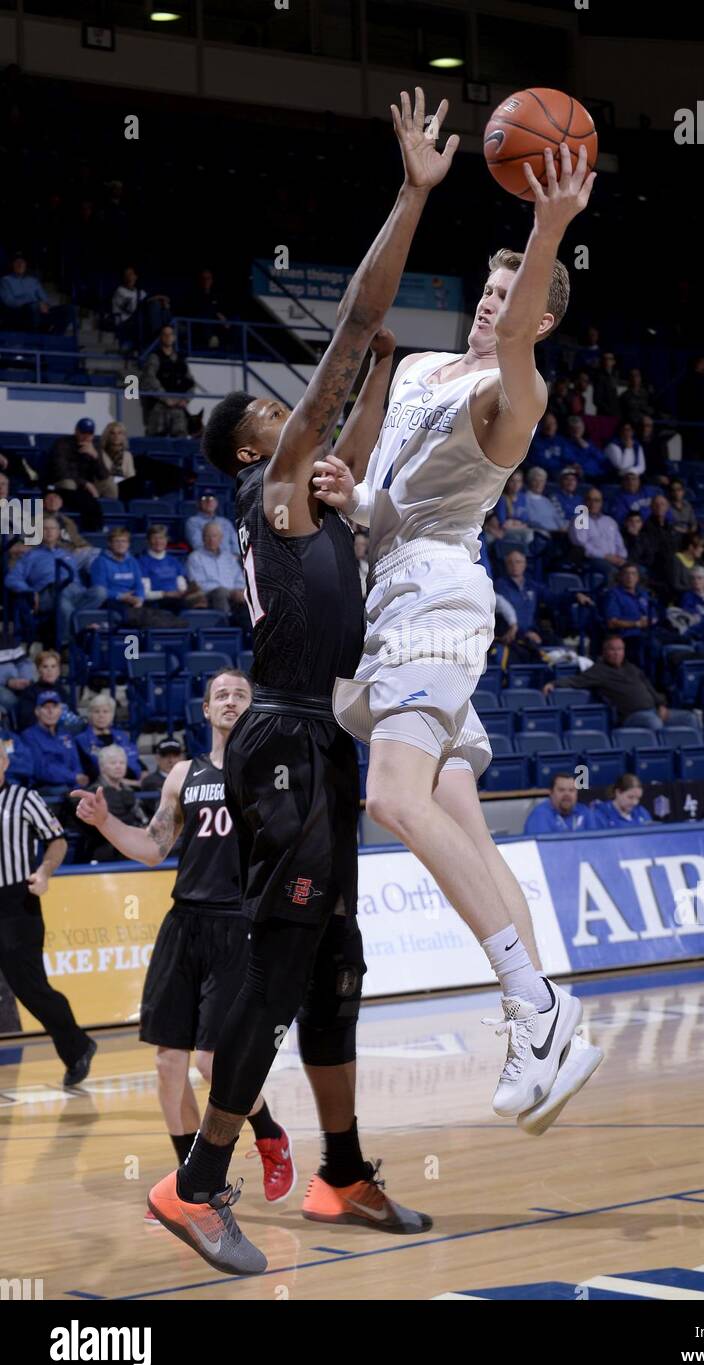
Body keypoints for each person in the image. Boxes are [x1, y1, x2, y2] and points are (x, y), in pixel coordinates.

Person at [144, 88, 458, 1274]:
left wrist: (380, 374)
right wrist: (410, 198)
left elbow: (360, 427)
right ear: (252, 448)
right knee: (280, 963)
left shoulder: (324, 506)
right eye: (286, 419)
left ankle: (339, 1171)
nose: (312, 430)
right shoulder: (274, 494)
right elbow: (346, 347)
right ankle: (196, 1184)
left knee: (337, 963)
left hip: (323, 739)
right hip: (277, 740)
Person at [314, 140, 605, 1139]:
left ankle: (538, 1002)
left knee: (390, 796)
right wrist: (354, 497)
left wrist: (547, 224)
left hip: (435, 601)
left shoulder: (513, 394)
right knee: (459, 822)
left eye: (509, 294)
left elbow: (519, 331)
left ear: (540, 317)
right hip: (382, 588)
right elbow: (385, 499)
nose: (490, 304)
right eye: (483, 291)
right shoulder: (427, 369)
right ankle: (543, 1023)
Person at [73, 671, 295, 1211]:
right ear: (205, 710)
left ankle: (269, 1135)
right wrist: (104, 823)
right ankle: (190, 1188)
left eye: (242, 695)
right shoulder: (181, 776)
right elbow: (152, 848)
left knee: (209, 1062)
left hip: (236, 926)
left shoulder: (272, 775)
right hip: (184, 924)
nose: (231, 701)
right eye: (222, 694)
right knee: (168, 1063)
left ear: (253, 709)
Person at [0, 743, 96, 1086]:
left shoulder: (24, 798)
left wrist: (44, 872)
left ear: (5, 761)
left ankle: (77, 1046)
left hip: (16, 901)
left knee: (29, 986)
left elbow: (56, 840)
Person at [544, 634, 699, 732]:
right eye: (613, 649)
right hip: (632, 716)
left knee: (690, 718)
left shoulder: (632, 668)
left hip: (655, 711)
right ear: (604, 652)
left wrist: (661, 706)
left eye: (620, 649)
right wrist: (554, 684)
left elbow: (650, 689)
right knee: (654, 723)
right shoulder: (599, 670)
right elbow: (576, 681)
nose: (617, 653)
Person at [4, 515, 107, 645]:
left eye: (52, 528)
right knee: (63, 601)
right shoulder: (30, 555)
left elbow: (77, 579)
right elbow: (11, 579)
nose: (49, 531)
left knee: (100, 591)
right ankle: (66, 644)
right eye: (45, 528)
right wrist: (29, 591)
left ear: (58, 533)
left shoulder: (67, 554)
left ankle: (72, 630)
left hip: (74, 591)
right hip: (47, 593)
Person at [21, 692, 90, 795]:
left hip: (72, 784)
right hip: (46, 787)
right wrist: (73, 777)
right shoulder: (29, 736)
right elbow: (41, 770)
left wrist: (78, 780)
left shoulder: (66, 735)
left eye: (54, 707)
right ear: (37, 712)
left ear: (60, 710)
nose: (50, 711)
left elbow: (76, 764)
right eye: (45, 707)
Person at [45, 418, 104, 530]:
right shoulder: (63, 443)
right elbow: (61, 471)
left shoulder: (96, 446)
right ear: (76, 431)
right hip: (68, 484)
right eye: (83, 433)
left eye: (89, 433)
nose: (86, 437)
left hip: (89, 485)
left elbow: (103, 474)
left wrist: (96, 457)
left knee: (110, 486)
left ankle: (109, 513)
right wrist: (85, 484)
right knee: (69, 484)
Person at [185, 521, 248, 621]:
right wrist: (230, 592)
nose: (211, 540)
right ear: (202, 538)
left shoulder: (229, 557)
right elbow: (197, 584)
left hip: (234, 595)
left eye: (214, 536)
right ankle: (225, 624)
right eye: (207, 536)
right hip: (209, 595)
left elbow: (239, 580)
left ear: (221, 538)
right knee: (221, 592)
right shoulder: (195, 557)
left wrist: (239, 591)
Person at [141, 325, 196, 437]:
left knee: (180, 441)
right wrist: (166, 398)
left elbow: (190, 382)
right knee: (157, 440)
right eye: (165, 334)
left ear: (174, 337)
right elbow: (149, 379)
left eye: (170, 334)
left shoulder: (180, 359)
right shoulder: (154, 357)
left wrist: (185, 399)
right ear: (161, 337)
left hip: (178, 409)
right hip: (158, 407)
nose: (168, 337)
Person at [75, 692, 142, 783]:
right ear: (90, 715)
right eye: (96, 711)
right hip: (100, 785)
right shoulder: (81, 740)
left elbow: (134, 761)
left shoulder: (123, 736)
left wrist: (143, 771)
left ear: (112, 715)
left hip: (130, 784)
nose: (101, 715)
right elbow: (91, 770)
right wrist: (123, 781)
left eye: (105, 711)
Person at [138, 524, 191, 612]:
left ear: (167, 540)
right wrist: (166, 594)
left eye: (162, 538)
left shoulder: (174, 561)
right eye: (154, 538)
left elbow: (182, 587)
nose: (158, 541)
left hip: (177, 600)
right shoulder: (142, 562)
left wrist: (182, 593)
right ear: (148, 541)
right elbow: (144, 594)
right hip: (156, 602)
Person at [524, 773, 592, 835]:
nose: (567, 794)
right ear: (551, 793)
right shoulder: (540, 815)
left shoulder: (584, 812)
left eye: (571, 790)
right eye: (561, 790)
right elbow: (543, 846)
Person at [95, 421, 136, 500]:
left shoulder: (127, 455)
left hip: (122, 487)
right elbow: (101, 475)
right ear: (107, 435)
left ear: (123, 436)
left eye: (119, 433)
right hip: (103, 486)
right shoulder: (100, 453)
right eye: (112, 433)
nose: (116, 436)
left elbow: (130, 476)